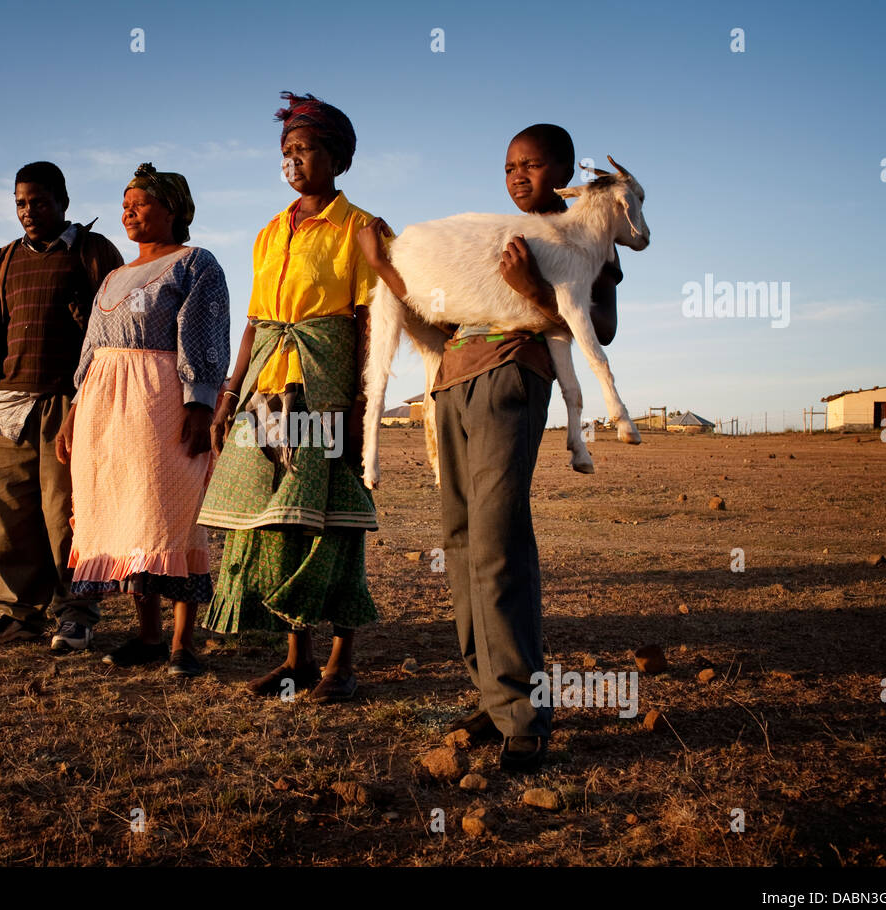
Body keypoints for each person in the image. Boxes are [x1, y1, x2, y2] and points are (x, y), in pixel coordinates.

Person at [358, 123, 622, 771]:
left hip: (514, 377)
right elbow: (428, 314)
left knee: (500, 542)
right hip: (451, 381)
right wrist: (384, 268)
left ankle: (524, 711)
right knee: (461, 542)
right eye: (509, 168)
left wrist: (533, 290)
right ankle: (491, 695)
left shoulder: (583, 242)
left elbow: (603, 329)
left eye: (532, 166)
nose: (518, 178)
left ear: (566, 173)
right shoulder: (480, 239)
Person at [198, 92, 380, 703]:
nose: (293, 161)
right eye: (286, 151)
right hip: (262, 391)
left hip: (323, 386)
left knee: (331, 517)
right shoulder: (269, 232)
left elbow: (367, 323)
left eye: (305, 150)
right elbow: (253, 323)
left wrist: (361, 409)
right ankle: (295, 660)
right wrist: (228, 394)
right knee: (271, 519)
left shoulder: (361, 229)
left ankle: (341, 663)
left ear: (338, 158)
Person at [54, 163, 230, 677]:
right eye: (124, 202)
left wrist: (201, 405)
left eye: (141, 202)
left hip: (161, 404)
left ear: (174, 208)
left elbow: (203, 337)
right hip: (102, 413)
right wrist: (72, 412)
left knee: (169, 515)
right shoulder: (112, 277)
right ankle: (149, 636)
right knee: (125, 513)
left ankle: (182, 643)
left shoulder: (196, 264)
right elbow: (91, 351)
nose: (127, 210)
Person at [0, 161, 123, 652]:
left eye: (38, 201)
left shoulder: (91, 251)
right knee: (8, 513)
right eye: (20, 203)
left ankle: (76, 613)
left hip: (68, 402)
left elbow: (115, 326)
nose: (28, 211)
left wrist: (95, 396)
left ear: (63, 202)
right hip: (8, 405)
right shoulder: (8, 257)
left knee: (66, 513)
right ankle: (20, 612)